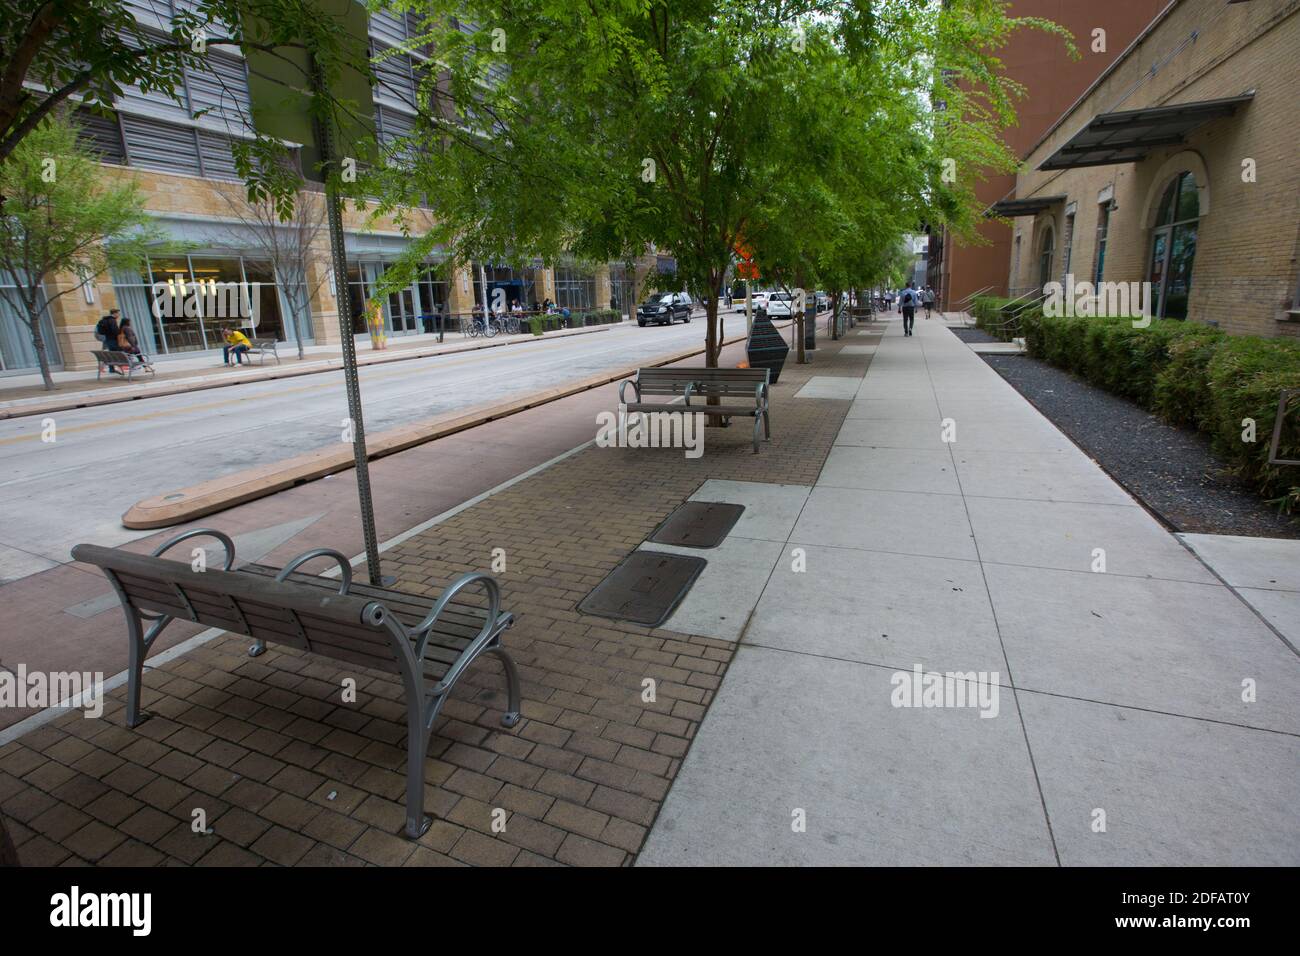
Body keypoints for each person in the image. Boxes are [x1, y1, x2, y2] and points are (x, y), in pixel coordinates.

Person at [95, 308, 125, 375]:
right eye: (118, 313)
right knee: (119, 353)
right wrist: (119, 333)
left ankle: (111, 368)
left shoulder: (105, 320)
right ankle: (120, 367)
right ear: (114, 313)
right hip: (113, 340)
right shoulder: (112, 320)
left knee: (111, 354)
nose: (119, 315)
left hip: (108, 339)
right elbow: (115, 331)